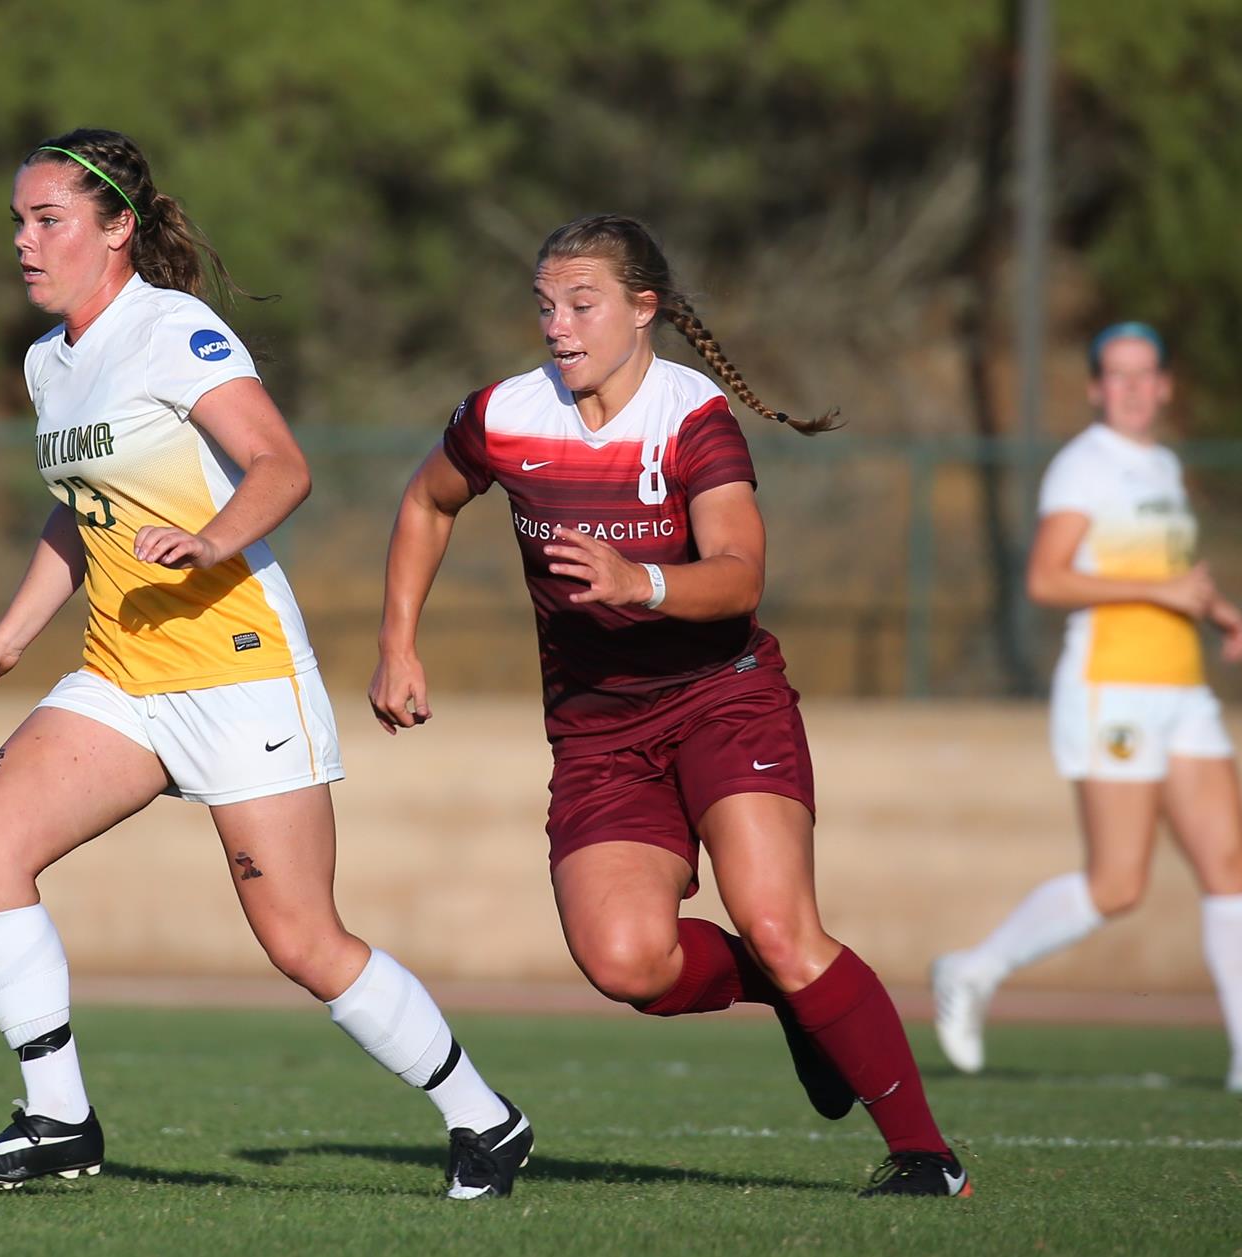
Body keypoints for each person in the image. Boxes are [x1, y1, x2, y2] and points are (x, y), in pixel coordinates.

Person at [0, 128, 529, 1199]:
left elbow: (279, 466)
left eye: (48, 221)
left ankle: (484, 1120)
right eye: (17, 223)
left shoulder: (173, 330)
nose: (23, 243)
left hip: (238, 674)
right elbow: (80, 516)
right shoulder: (46, 363)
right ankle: (59, 1122)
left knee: (302, 941)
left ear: (116, 229)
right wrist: (10, 634)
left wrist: (213, 540)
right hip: (121, 677)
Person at [371, 213, 970, 1198]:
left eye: (580, 304)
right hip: (596, 732)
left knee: (778, 922)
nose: (556, 326)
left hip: (720, 700)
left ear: (642, 310)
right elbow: (426, 503)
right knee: (627, 963)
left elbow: (737, 574)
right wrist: (397, 644)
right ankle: (789, 998)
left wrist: (638, 582)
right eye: (543, 306)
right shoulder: (505, 414)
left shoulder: (690, 417)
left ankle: (923, 1157)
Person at [932, 322, 1242, 1093]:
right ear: (1099, 388)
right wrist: (1157, 591)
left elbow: (1168, 576)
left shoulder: (1164, 466)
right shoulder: (1083, 468)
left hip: (1182, 690)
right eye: (1118, 375)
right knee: (1117, 884)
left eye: (1146, 375)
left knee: (1232, 867)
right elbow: (1047, 579)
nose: (1134, 388)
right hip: (1113, 690)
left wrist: (1216, 607)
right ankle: (973, 969)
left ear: (1165, 386)